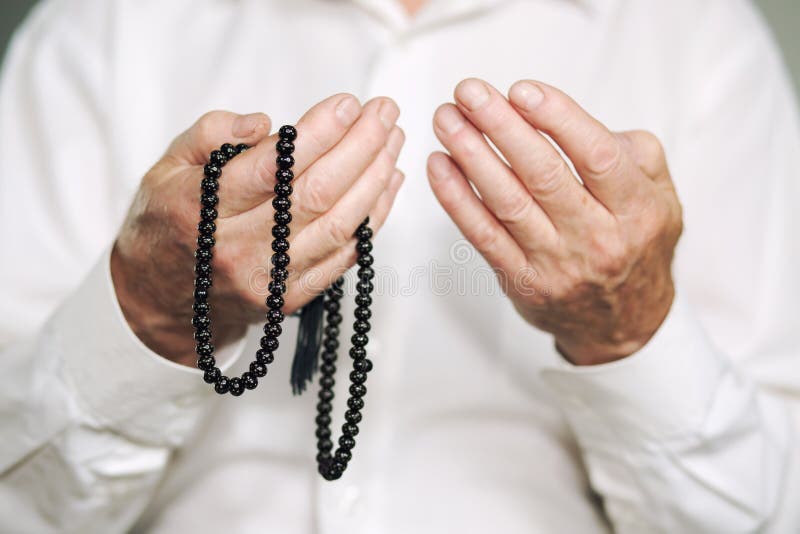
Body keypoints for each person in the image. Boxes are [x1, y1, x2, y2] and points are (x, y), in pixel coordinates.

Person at [1, 0, 798, 532]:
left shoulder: (699, 36)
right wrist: (149, 311)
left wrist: (631, 331)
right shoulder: (102, 26)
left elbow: (765, 509)